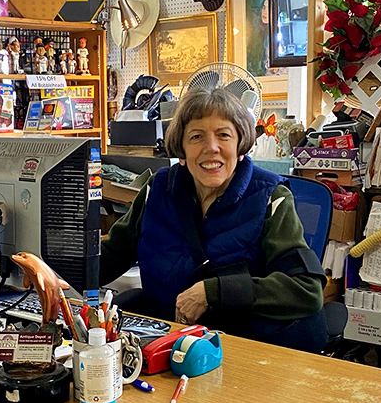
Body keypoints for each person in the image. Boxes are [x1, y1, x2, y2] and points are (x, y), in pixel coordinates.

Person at [100, 88, 327, 352]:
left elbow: (306, 290)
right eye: (196, 137)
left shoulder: (270, 198)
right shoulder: (157, 191)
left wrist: (214, 292)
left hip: (240, 348)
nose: (211, 148)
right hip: (166, 345)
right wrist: (45, 268)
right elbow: (108, 258)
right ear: (182, 149)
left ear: (240, 145)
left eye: (223, 135)